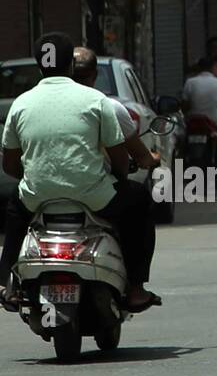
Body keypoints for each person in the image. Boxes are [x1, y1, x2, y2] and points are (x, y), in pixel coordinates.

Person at [0, 33, 159, 312]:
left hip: (36, 197)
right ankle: (135, 289)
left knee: (14, 215)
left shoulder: (21, 103)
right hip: (95, 196)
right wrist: (117, 178)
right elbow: (120, 160)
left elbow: (10, 165)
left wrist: (37, 178)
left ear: (40, 66)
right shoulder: (96, 100)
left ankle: (5, 285)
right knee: (141, 201)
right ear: (70, 67)